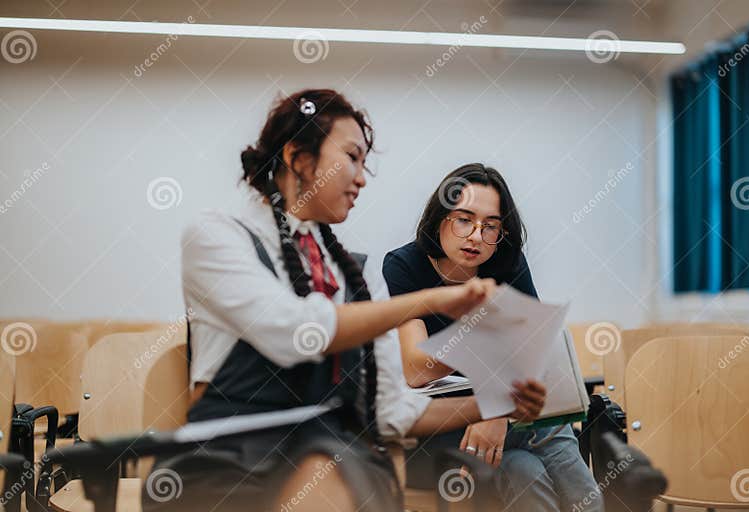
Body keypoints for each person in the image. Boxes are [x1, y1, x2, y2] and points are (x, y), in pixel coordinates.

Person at [144, 91, 548, 512]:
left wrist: (495, 404)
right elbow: (297, 332)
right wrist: (429, 300)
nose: (361, 178)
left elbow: (393, 412)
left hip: (333, 457)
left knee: (339, 465)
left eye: (364, 163)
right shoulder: (216, 237)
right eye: (352, 157)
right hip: (232, 456)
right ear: (298, 157)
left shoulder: (359, 274)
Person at [383, 163, 603, 511]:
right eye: (464, 220)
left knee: (524, 469)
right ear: (440, 217)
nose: (476, 237)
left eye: (491, 227)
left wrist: (498, 413)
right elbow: (418, 368)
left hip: (507, 425)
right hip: (442, 426)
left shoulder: (507, 263)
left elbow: (533, 348)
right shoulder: (405, 265)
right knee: (551, 432)